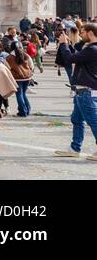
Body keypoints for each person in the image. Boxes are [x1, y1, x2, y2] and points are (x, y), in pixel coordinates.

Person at [54, 21, 97, 160]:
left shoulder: (92, 49)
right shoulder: (90, 48)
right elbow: (77, 58)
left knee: (93, 121)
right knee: (77, 120)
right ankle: (74, 148)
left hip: (86, 91)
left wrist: (63, 44)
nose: (81, 34)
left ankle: (75, 148)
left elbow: (69, 59)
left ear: (90, 33)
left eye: (83, 32)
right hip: (82, 91)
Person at [6, 41, 35, 118]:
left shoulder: (9, 57)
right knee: (23, 94)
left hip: (17, 78)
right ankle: (27, 109)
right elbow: (31, 65)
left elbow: (7, 68)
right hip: (27, 77)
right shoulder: (25, 54)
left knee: (19, 94)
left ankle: (23, 111)